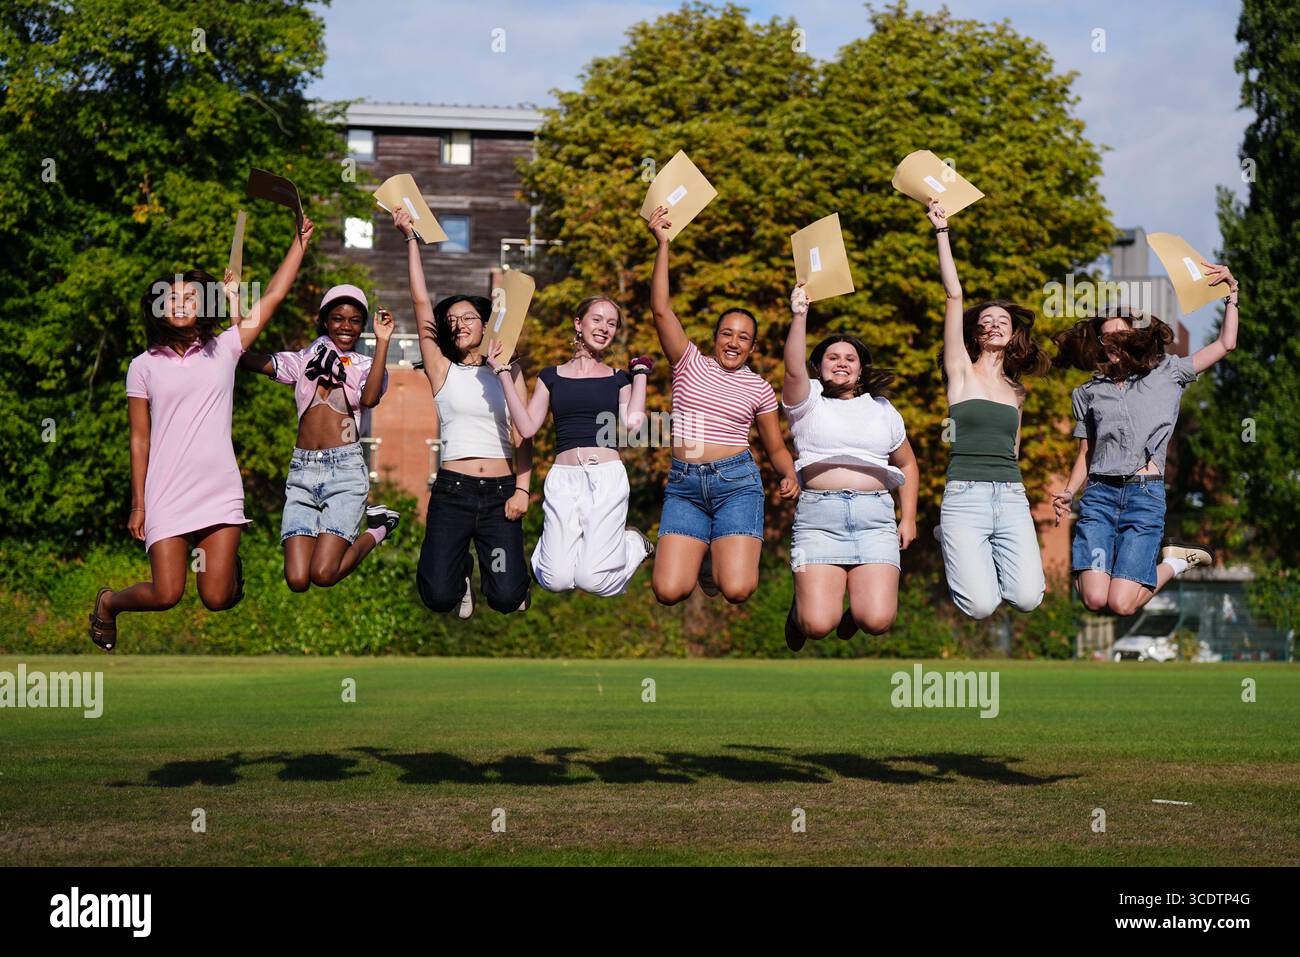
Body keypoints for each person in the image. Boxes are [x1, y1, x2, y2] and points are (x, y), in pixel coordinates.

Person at [88, 218, 315, 651]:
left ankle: (230, 573)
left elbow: (274, 296)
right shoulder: (143, 365)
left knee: (216, 598)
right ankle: (109, 603)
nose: (179, 301)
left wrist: (299, 244)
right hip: (166, 492)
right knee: (166, 593)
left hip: (218, 490)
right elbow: (140, 439)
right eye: (171, 296)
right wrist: (138, 503)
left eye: (190, 296)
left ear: (204, 305)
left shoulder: (226, 347)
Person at [1050, 262, 1239, 616]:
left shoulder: (1169, 373)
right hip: (1099, 498)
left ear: (1135, 338)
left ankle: (1174, 563)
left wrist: (1232, 295)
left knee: (1121, 604)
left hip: (1144, 495)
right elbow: (1087, 452)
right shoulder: (1089, 392)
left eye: (1118, 335)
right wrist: (1068, 491)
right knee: (1093, 599)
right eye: (1104, 337)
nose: (1110, 344)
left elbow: (1226, 344)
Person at [645, 204, 800, 605]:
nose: (734, 342)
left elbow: (776, 446)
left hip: (736, 485)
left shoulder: (759, 388)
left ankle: (716, 565)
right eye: (727, 333)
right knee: (668, 591)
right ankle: (699, 560)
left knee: (737, 589)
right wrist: (663, 244)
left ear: (752, 346)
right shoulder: (688, 362)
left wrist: (790, 475)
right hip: (684, 485)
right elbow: (660, 309)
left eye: (743, 337)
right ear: (714, 338)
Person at [393, 207, 533, 617]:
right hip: (453, 491)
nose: (458, 324)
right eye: (451, 320)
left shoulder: (509, 369)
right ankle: (461, 575)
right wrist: (410, 239)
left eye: (468, 316)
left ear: (487, 324)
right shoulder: (441, 370)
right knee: (438, 596)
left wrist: (524, 490)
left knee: (508, 599)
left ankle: (506, 580)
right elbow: (420, 300)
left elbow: (524, 435)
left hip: (502, 493)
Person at [781, 281, 919, 651]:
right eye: (832, 357)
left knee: (876, 621)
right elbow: (792, 368)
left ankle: (857, 612)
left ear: (860, 370)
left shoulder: (883, 409)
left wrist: (908, 518)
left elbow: (907, 463)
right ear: (820, 367)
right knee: (816, 624)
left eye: (849, 358)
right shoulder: (807, 400)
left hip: (875, 518)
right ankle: (801, 611)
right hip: (819, 518)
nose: (841, 362)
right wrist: (800, 315)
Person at [486, 296, 655, 596]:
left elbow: (633, 424)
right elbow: (526, 427)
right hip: (563, 480)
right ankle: (561, 550)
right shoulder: (550, 376)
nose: (605, 328)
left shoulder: (619, 379)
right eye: (598, 319)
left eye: (612, 324)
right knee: (555, 580)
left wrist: (640, 373)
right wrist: (502, 374)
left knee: (592, 580)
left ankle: (633, 544)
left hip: (605, 478)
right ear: (579, 323)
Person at [928, 198, 1048, 619]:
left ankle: (973, 549)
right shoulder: (960, 371)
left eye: (1004, 320)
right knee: (980, 607)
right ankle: (953, 536)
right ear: (976, 334)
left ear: (1013, 333)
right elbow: (954, 293)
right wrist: (942, 231)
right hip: (965, 495)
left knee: (1030, 598)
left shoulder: (1018, 391)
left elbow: (1013, 452)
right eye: (987, 320)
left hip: (1012, 496)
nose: (996, 323)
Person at [238, 284, 401, 592]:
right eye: (338, 318)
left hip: (345, 471)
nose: (346, 326)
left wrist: (382, 343)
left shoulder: (367, 366)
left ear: (363, 326)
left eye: (355, 320)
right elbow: (243, 358)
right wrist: (236, 307)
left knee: (324, 574)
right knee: (298, 579)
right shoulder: (303, 361)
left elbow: (368, 399)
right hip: (302, 471)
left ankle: (379, 529)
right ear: (325, 321)